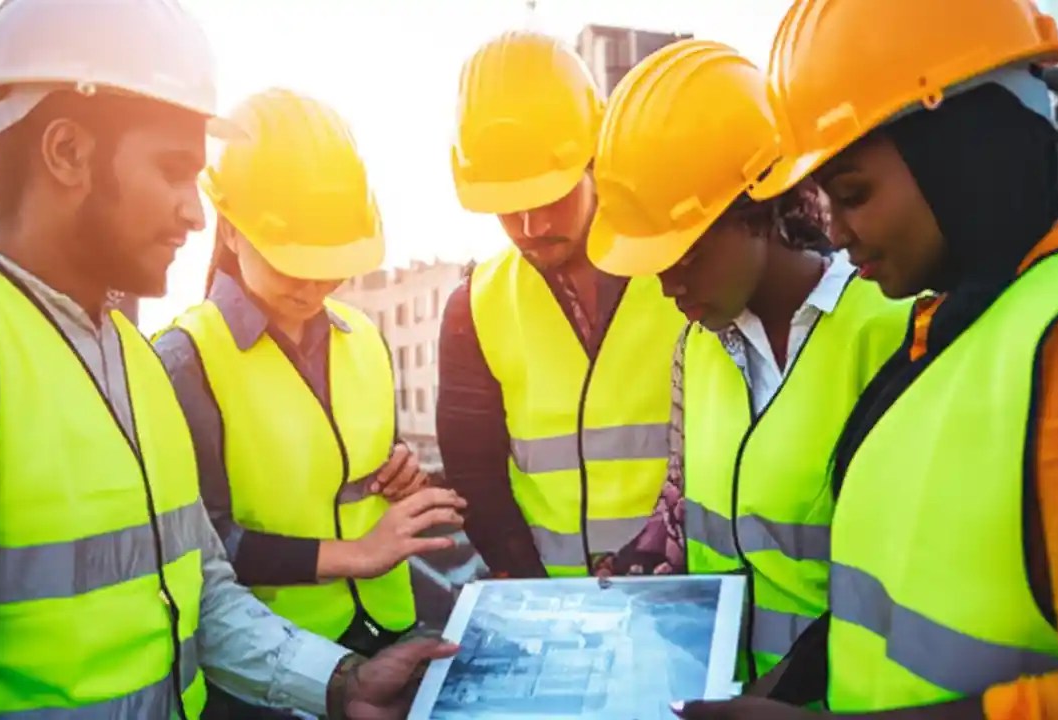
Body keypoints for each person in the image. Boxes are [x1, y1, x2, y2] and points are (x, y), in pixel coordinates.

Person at [0, 2, 453, 718]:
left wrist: (340, 684)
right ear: (66, 153)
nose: (195, 213)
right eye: (174, 172)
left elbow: (201, 591)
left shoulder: (132, 361)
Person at [674, 1, 1058, 718]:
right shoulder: (945, 335)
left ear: (964, 155)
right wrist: (780, 694)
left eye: (854, 193)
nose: (836, 229)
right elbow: (883, 606)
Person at [586, 39, 910, 683]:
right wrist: (642, 564)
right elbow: (680, 510)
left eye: (685, 256)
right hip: (724, 690)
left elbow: (909, 578)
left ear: (759, 210)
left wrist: (786, 692)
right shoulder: (696, 348)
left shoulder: (893, 332)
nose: (667, 286)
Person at [154, 88, 468, 719]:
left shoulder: (363, 338)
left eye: (331, 262)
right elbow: (200, 546)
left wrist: (395, 475)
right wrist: (354, 554)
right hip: (270, 668)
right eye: (295, 261)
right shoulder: (185, 361)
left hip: (389, 635)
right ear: (234, 229)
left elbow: (342, 473)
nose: (315, 282)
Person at [436, 30, 687, 579]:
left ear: (594, 155)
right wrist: (537, 591)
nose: (532, 227)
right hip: (549, 606)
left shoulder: (685, 270)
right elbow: (474, 476)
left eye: (551, 196)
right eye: (508, 208)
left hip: (684, 602)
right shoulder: (474, 305)